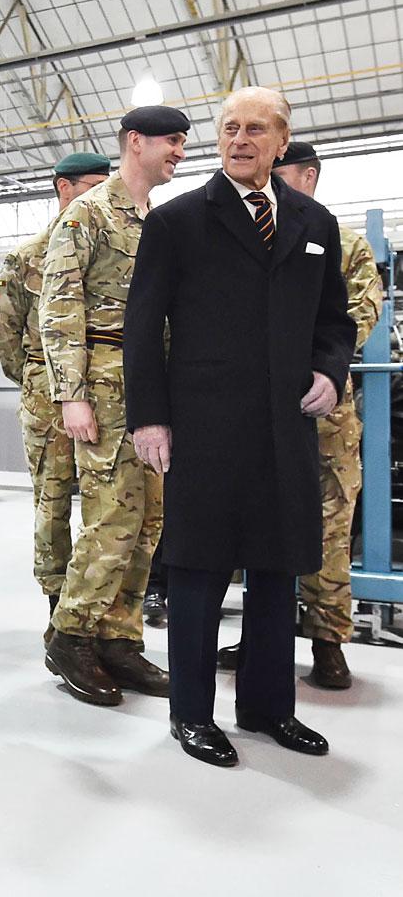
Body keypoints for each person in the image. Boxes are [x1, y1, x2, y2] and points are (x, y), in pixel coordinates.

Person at [124, 88, 356, 767]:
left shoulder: (316, 223)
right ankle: (191, 713)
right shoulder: (179, 221)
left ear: (282, 140)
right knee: (198, 568)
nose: (241, 139)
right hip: (205, 424)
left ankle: (267, 706)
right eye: (230, 128)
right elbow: (142, 327)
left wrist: (329, 370)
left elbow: (334, 321)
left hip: (287, 426)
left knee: (276, 567)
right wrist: (150, 417)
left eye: (257, 128)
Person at [216, 142, 384, 689]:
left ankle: (328, 641)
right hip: (257, 405)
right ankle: (259, 637)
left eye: (280, 169)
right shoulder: (247, 235)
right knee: (255, 517)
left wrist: (319, 368)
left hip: (325, 407)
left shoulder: (346, 242)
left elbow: (358, 313)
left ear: (307, 176)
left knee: (330, 525)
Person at [39, 106, 188, 706]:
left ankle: (120, 640)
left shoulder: (161, 218)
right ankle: (71, 634)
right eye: (171, 141)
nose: (180, 150)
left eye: (182, 141)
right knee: (112, 517)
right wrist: (72, 395)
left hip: (153, 385)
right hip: (103, 383)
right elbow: (59, 307)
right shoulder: (89, 212)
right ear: (136, 142)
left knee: (149, 520)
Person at [0, 152, 111, 644]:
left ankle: (97, 607)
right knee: (53, 502)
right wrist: (42, 382)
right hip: (47, 398)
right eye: (94, 186)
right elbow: (7, 337)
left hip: (105, 392)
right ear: (64, 188)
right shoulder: (26, 259)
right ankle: (56, 607)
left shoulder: (111, 251)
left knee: (108, 505)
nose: (105, 196)